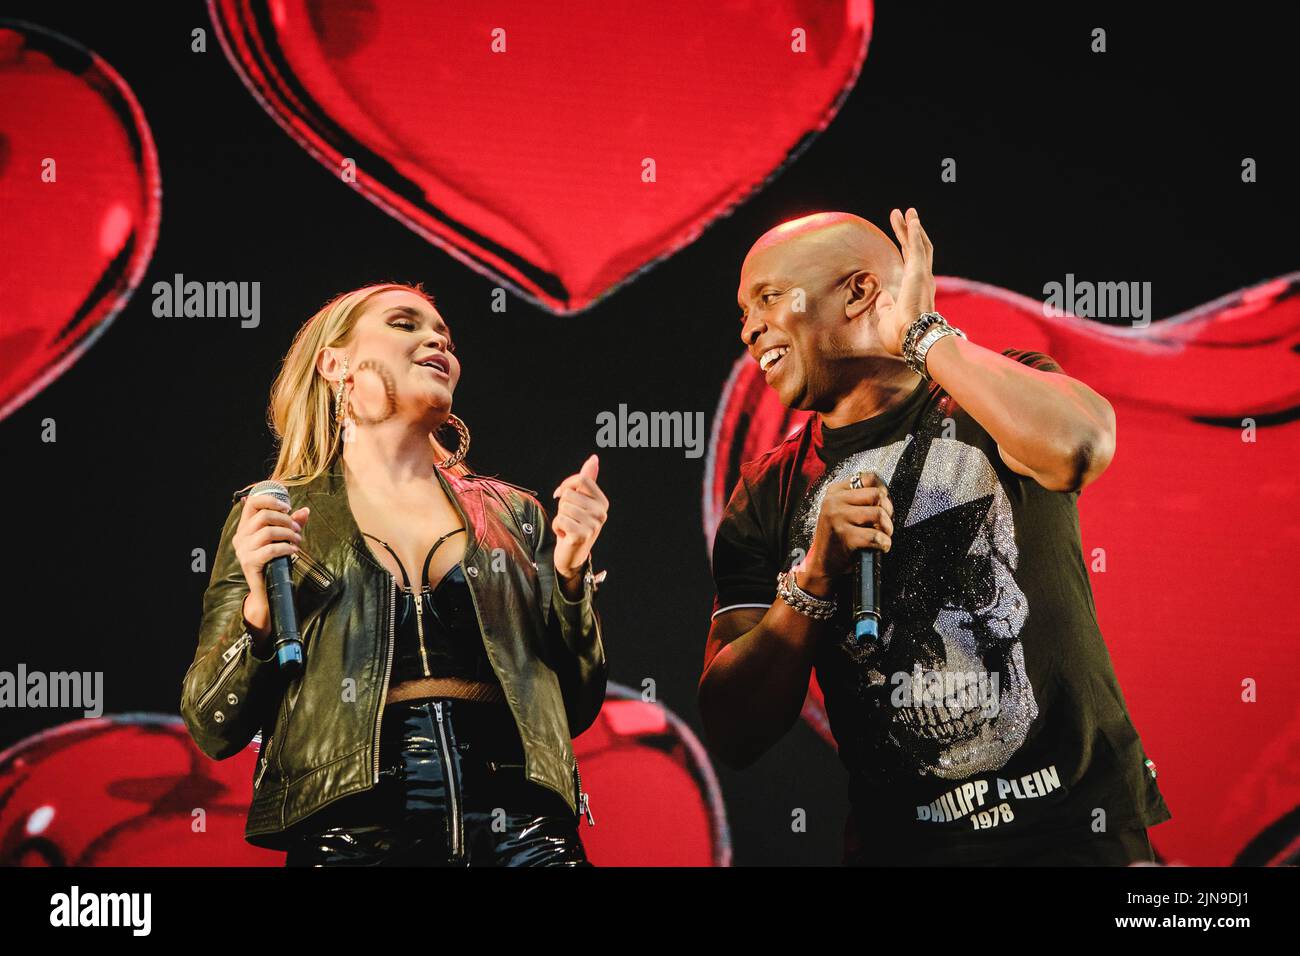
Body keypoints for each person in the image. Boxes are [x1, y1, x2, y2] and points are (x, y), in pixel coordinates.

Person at [699, 210, 1172, 865]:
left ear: (860, 292)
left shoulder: (993, 400)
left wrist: (923, 336)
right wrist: (813, 579)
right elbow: (734, 728)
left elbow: (1078, 447)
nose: (748, 326)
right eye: (744, 309)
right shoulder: (765, 494)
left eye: (769, 298)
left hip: (1076, 838)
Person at [181, 282, 610, 866]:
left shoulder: (516, 515)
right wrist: (259, 612)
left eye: (445, 335)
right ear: (336, 364)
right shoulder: (278, 516)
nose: (436, 338)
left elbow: (579, 703)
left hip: (524, 831)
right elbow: (211, 725)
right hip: (354, 833)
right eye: (405, 324)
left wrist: (569, 576)